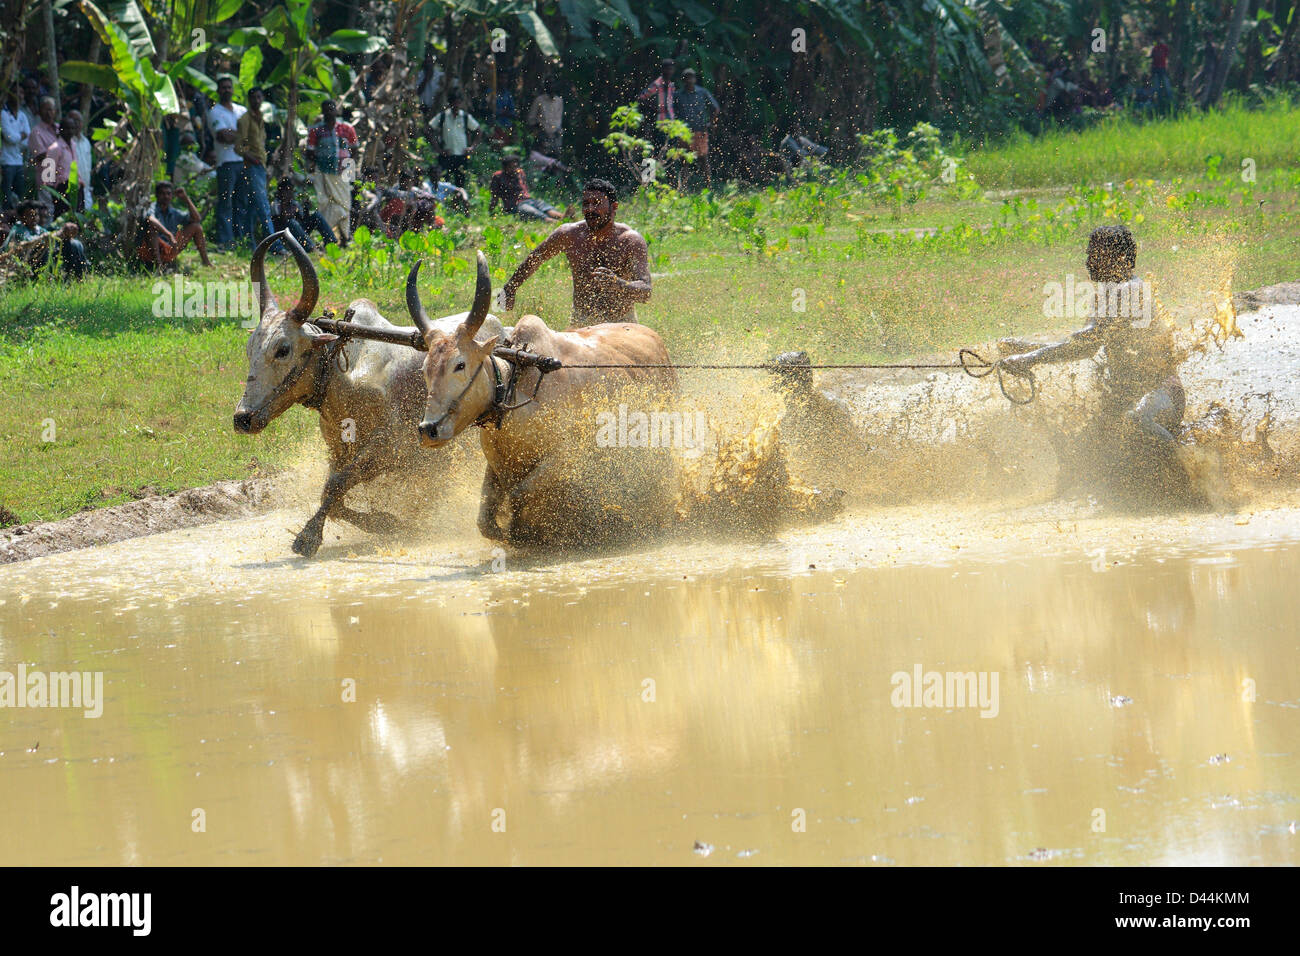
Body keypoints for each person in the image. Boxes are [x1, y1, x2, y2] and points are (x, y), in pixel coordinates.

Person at [999, 225, 1185, 491]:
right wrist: (1024, 349)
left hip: (1161, 392)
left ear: (1118, 258)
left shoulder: (1132, 291)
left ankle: (1190, 477)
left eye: (1095, 254)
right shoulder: (1106, 295)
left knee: (1138, 421)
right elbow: (1083, 343)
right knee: (1080, 458)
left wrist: (1030, 358)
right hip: (1123, 396)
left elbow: (1084, 346)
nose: (1088, 262)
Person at [502, 178, 650, 326]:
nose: (590, 209)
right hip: (581, 324)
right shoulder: (569, 235)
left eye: (597, 203)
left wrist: (618, 284)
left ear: (614, 207)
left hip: (622, 324)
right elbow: (535, 259)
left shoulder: (630, 240)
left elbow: (645, 292)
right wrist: (510, 288)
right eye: (586, 204)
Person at [303, 100, 359, 245]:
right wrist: (321, 161)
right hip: (323, 172)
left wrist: (350, 169)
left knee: (345, 202)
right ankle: (328, 235)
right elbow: (309, 152)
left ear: (336, 111)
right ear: (323, 112)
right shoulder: (316, 131)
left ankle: (344, 237)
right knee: (325, 202)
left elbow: (354, 150)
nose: (329, 112)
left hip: (343, 171)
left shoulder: (347, 128)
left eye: (331, 109)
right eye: (326, 109)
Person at [234, 87, 279, 248]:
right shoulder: (245, 120)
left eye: (259, 97)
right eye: (254, 98)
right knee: (263, 207)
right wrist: (251, 158)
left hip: (260, 167)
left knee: (253, 208)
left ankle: (250, 244)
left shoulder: (260, 119)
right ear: (249, 99)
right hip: (253, 167)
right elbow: (239, 146)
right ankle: (276, 245)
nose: (257, 101)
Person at [0, 199, 88, 279]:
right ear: (22, 217)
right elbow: (32, 242)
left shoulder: (38, 229)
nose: (34, 218)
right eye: (29, 215)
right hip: (16, 265)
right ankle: (44, 278)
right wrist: (60, 233)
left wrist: (66, 235)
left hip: (34, 262)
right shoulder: (18, 229)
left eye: (36, 214)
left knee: (74, 244)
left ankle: (79, 276)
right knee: (45, 248)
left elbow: (50, 237)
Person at [138, 180, 211, 273]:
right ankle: (159, 267)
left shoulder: (174, 212)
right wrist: (169, 235)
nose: (166, 196)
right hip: (153, 251)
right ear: (156, 195)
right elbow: (151, 219)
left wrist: (186, 199)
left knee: (196, 227)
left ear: (172, 196)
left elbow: (197, 219)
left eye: (168, 193)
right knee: (151, 229)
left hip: (171, 248)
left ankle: (206, 261)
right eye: (162, 193)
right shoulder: (152, 207)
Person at [208, 75, 247, 247]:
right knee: (225, 203)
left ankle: (241, 238)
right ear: (218, 91)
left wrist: (235, 134)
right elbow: (223, 136)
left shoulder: (241, 110)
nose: (226, 90)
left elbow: (250, 136)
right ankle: (225, 241)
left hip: (244, 160)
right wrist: (243, 136)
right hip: (226, 163)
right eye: (223, 87)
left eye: (229, 87)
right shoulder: (215, 112)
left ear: (233, 89)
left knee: (242, 202)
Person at [674, 68, 720, 187]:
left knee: (703, 159)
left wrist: (710, 122)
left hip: (700, 130)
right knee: (685, 161)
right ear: (683, 80)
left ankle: (708, 186)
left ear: (694, 79)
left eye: (691, 77)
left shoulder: (702, 92)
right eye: (687, 77)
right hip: (684, 132)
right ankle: (683, 188)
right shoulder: (678, 95)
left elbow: (715, 108)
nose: (689, 80)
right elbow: (672, 112)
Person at [489, 153, 562, 221]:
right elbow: (495, 196)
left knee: (544, 207)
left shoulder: (520, 173)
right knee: (530, 211)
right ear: (505, 167)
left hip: (529, 200)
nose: (514, 169)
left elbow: (525, 188)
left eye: (516, 166)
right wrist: (491, 211)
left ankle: (562, 217)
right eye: (511, 167)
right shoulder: (498, 176)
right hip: (515, 205)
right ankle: (549, 220)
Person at [429, 90, 480, 188]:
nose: (456, 105)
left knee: (460, 184)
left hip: (461, 155)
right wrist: (438, 149)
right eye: (454, 102)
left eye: (458, 102)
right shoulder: (443, 116)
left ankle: (458, 202)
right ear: (450, 103)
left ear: (461, 103)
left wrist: (472, 147)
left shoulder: (465, 116)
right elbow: (428, 130)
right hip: (446, 155)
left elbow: (478, 130)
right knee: (444, 183)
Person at [272, 179, 337, 251]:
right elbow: (281, 222)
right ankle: (312, 248)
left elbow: (302, 218)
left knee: (316, 215)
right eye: (287, 191)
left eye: (291, 190)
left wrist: (306, 209)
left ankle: (331, 242)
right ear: (281, 192)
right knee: (292, 222)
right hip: (285, 234)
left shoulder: (294, 203)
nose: (290, 193)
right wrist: (285, 205)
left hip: (299, 232)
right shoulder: (275, 204)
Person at [1, 93, 30, 209]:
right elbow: (9, 137)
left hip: (19, 161)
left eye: (21, 94)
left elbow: (27, 139)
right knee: (6, 195)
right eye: (16, 94)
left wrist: (16, 138)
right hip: (6, 161)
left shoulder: (22, 116)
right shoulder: (3, 114)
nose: (20, 96)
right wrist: (20, 136)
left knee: (20, 193)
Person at [62, 110, 94, 212]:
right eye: (73, 120)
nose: (76, 124)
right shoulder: (67, 143)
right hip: (73, 188)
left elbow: (88, 167)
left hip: (86, 188)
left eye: (78, 120)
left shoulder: (86, 142)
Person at [526, 77, 564, 157]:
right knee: (542, 158)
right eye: (549, 84)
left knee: (555, 158)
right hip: (542, 135)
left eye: (553, 84)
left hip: (556, 135)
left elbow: (558, 119)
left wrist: (557, 130)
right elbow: (531, 119)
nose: (552, 86)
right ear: (545, 86)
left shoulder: (559, 101)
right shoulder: (539, 100)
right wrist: (541, 129)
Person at [638, 58, 677, 123]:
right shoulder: (656, 85)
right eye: (667, 69)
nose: (669, 72)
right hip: (659, 122)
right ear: (663, 70)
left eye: (671, 69)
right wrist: (652, 107)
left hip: (671, 121)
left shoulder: (671, 86)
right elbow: (641, 98)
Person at [416, 51, 444, 122]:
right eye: (427, 62)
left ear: (433, 63)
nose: (429, 64)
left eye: (430, 62)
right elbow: (417, 93)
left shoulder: (440, 75)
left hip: (435, 109)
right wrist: (426, 79)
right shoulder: (418, 75)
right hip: (421, 109)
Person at [1150, 33, 1173, 114]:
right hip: (1156, 69)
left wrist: (1168, 68)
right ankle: (1158, 104)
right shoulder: (1154, 48)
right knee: (1156, 87)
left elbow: (1168, 57)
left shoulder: (1164, 47)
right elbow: (1152, 60)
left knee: (1167, 86)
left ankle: (1171, 103)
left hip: (1163, 68)